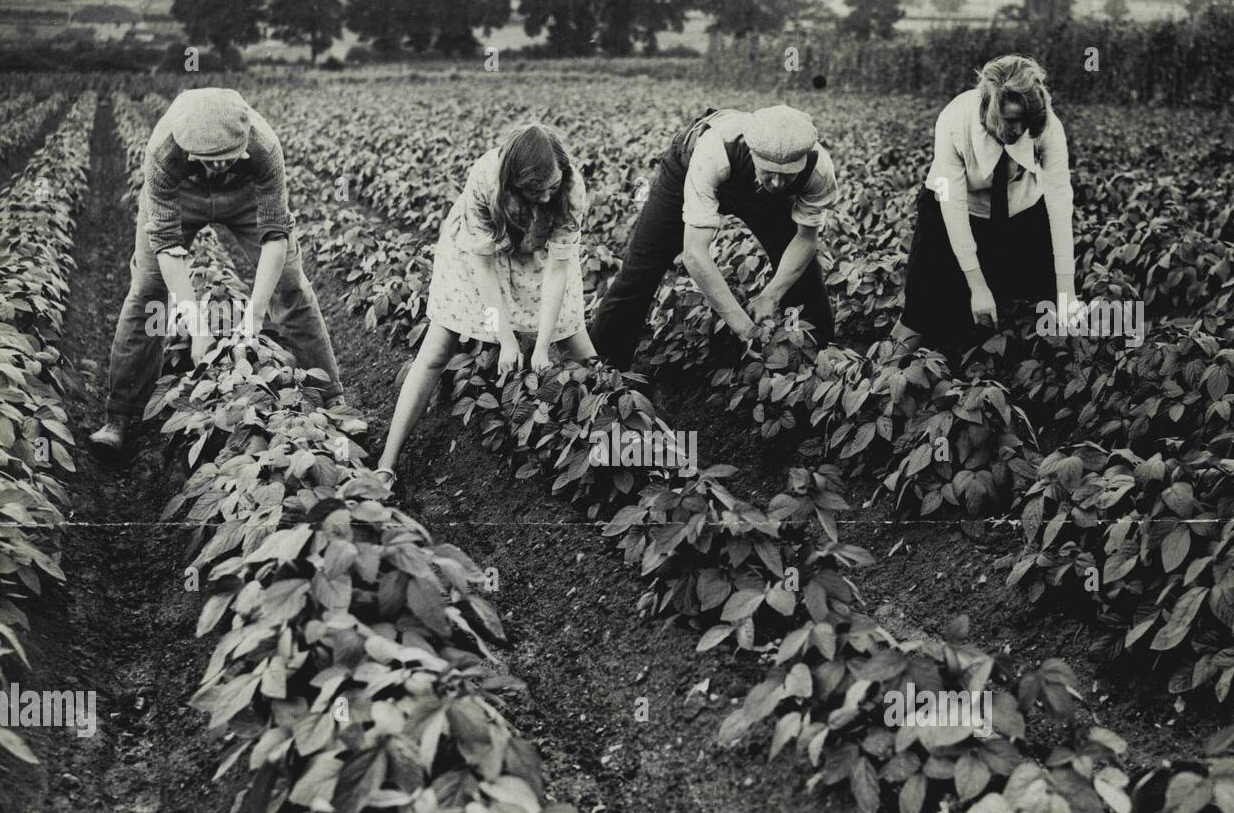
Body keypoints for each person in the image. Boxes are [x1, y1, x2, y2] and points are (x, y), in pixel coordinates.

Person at [89, 87, 344, 453]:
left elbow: (275, 236)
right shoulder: (163, 151)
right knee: (147, 293)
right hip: (182, 195)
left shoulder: (264, 146)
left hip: (245, 197)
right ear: (189, 148)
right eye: (211, 159)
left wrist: (253, 318)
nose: (220, 164)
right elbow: (165, 244)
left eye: (227, 156)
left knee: (291, 287)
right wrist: (196, 327)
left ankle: (331, 397)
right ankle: (120, 415)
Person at [374, 123, 596, 489]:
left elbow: (559, 272)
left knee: (577, 341)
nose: (544, 199)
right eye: (533, 191)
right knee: (436, 349)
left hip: (540, 259)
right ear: (512, 183)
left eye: (551, 188)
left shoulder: (571, 187)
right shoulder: (485, 180)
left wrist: (541, 345)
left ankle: (622, 428)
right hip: (480, 260)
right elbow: (483, 270)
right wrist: (506, 339)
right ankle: (387, 462)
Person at [589, 104, 838, 371]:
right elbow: (695, 253)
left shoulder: (818, 170)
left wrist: (771, 296)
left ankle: (814, 362)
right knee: (641, 270)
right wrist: (744, 328)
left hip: (757, 193)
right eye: (770, 172)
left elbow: (805, 240)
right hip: (686, 173)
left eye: (787, 174)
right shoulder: (715, 150)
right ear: (754, 153)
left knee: (804, 278)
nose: (777, 183)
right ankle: (603, 373)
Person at [894, 54, 1075, 355]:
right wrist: (977, 287)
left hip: (1020, 209)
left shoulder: (1047, 126)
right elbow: (953, 205)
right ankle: (882, 384)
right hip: (950, 206)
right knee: (922, 311)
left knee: (1029, 304)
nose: (1017, 130)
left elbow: (1059, 200)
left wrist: (1066, 287)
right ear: (990, 108)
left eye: (1024, 120)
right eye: (1009, 119)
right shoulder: (954, 120)